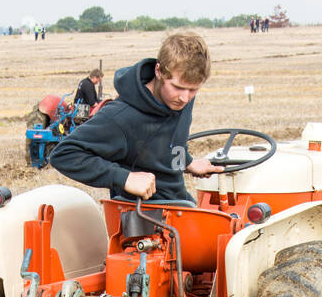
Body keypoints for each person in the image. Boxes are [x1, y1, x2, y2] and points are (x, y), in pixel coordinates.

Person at [50, 33, 220, 204]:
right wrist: (124, 178)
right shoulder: (121, 116)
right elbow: (64, 154)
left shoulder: (179, 101)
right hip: (143, 216)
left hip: (180, 204)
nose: (185, 98)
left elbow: (169, 141)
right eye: (178, 87)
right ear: (158, 71)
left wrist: (188, 162)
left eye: (193, 90)